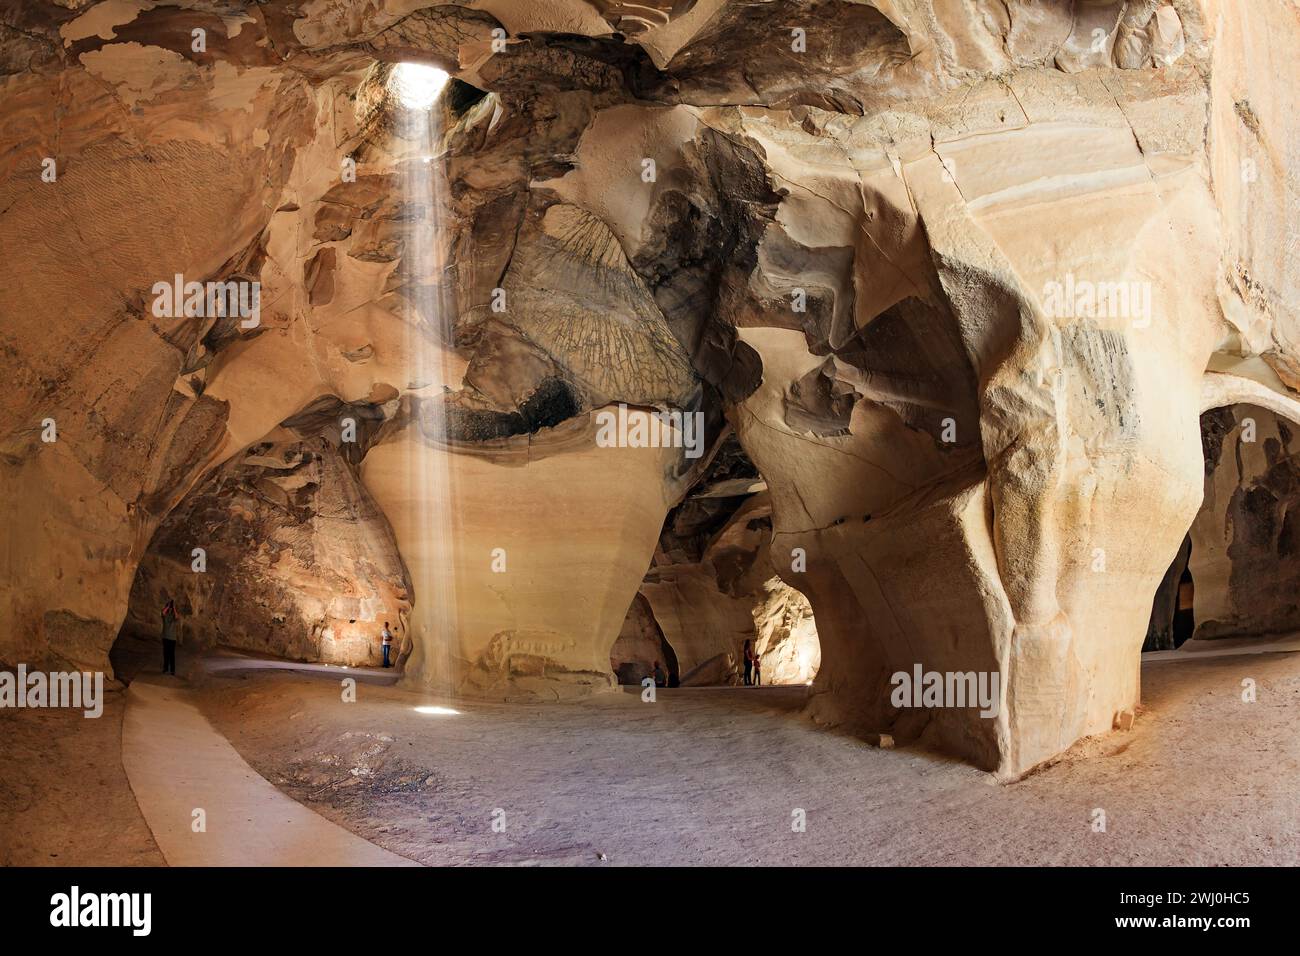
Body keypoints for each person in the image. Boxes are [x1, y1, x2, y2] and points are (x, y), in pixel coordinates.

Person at [160, 598, 179, 676]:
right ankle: (165, 668)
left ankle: (172, 670)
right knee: (165, 654)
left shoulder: (174, 616)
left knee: (172, 654)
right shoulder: (165, 616)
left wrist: (174, 607)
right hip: (165, 637)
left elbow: (177, 617)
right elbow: (163, 612)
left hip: (172, 638)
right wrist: (168, 606)